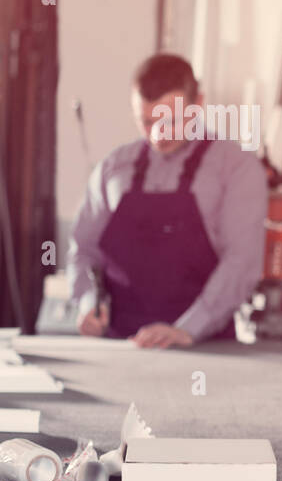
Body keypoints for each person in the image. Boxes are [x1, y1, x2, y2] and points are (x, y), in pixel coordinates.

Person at [67, 53, 267, 348]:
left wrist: (188, 329)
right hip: (121, 349)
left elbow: (242, 262)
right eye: (147, 122)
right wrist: (89, 303)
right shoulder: (113, 168)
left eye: (171, 121)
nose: (158, 135)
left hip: (206, 351)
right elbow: (84, 250)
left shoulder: (236, 168)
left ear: (198, 103)